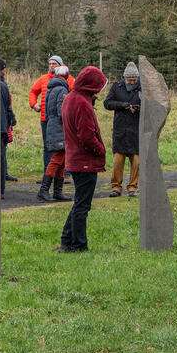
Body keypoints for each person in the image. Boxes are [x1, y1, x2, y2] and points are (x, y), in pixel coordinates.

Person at [59, 66, 108, 252]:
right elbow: (86, 136)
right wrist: (101, 150)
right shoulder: (81, 103)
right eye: (98, 87)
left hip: (75, 158)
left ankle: (67, 240)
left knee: (79, 202)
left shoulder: (71, 98)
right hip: (84, 161)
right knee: (82, 206)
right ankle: (78, 244)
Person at [103, 62, 142, 198]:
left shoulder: (142, 89)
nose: (132, 81)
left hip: (136, 130)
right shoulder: (116, 87)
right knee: (117, 162)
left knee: (136, 161)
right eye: (130, 79)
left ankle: (133, 187)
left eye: (134, 79)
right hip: (120, 130)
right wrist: (123, 105)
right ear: (124, 78)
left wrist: (138, 107)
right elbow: (107, 103)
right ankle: (116, 187)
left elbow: (149, 105)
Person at [28, 55, 63, 188]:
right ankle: (47, 174)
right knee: (47, 147)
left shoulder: (68, 79)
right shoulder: (43, 79)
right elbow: (32, 92)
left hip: (60, 120)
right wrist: (34, 104)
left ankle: (60, 175)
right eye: (50, 63)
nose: (51, 66)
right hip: (45, 119)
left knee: (61, 148)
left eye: (54, 63)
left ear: (60, 65)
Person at [39, 66, 71, 202]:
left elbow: (46, 110)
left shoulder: (50, 89)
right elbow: (61, 111)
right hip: (59, 126)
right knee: (57, 159)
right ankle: (43, 190)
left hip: (51, 125)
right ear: (66, 76)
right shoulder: (62, 89)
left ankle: (58, 192)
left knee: (62, 159)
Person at [0, 60, 17, 189]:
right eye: (4, 68)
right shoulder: (1, 84)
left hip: (5, 119)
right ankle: (2, 173)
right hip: (3, 120)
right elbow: (7, 104)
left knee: (4, 147)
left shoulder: (3, 82)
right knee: (2, 148)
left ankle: (4, 172)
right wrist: (11, 117)